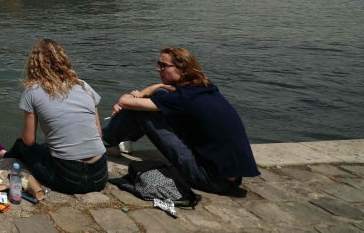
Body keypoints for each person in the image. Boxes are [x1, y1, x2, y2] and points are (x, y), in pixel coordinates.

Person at [102, 46, 259, 194]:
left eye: (163, 66)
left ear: (182, 70)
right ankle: (123, 138)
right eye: (158, 64)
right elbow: (164, 91)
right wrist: (149, 90)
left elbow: (124, 101)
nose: (158, 69)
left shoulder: (183, 99)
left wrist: (133, 96)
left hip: (212, 179)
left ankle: (107, 141)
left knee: (140, 111)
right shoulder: (204, 88)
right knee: (160, 94)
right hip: (229, 176)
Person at [0, 39, 108, 195]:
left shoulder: (32, 90)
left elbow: (29, 140)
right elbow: (99, 134)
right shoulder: (84, 86)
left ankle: (5, 155)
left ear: (34, 64)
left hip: (69, 178)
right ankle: (7, 154)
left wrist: (21, 139)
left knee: (23, 144)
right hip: (100, 174)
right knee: (50, 146)